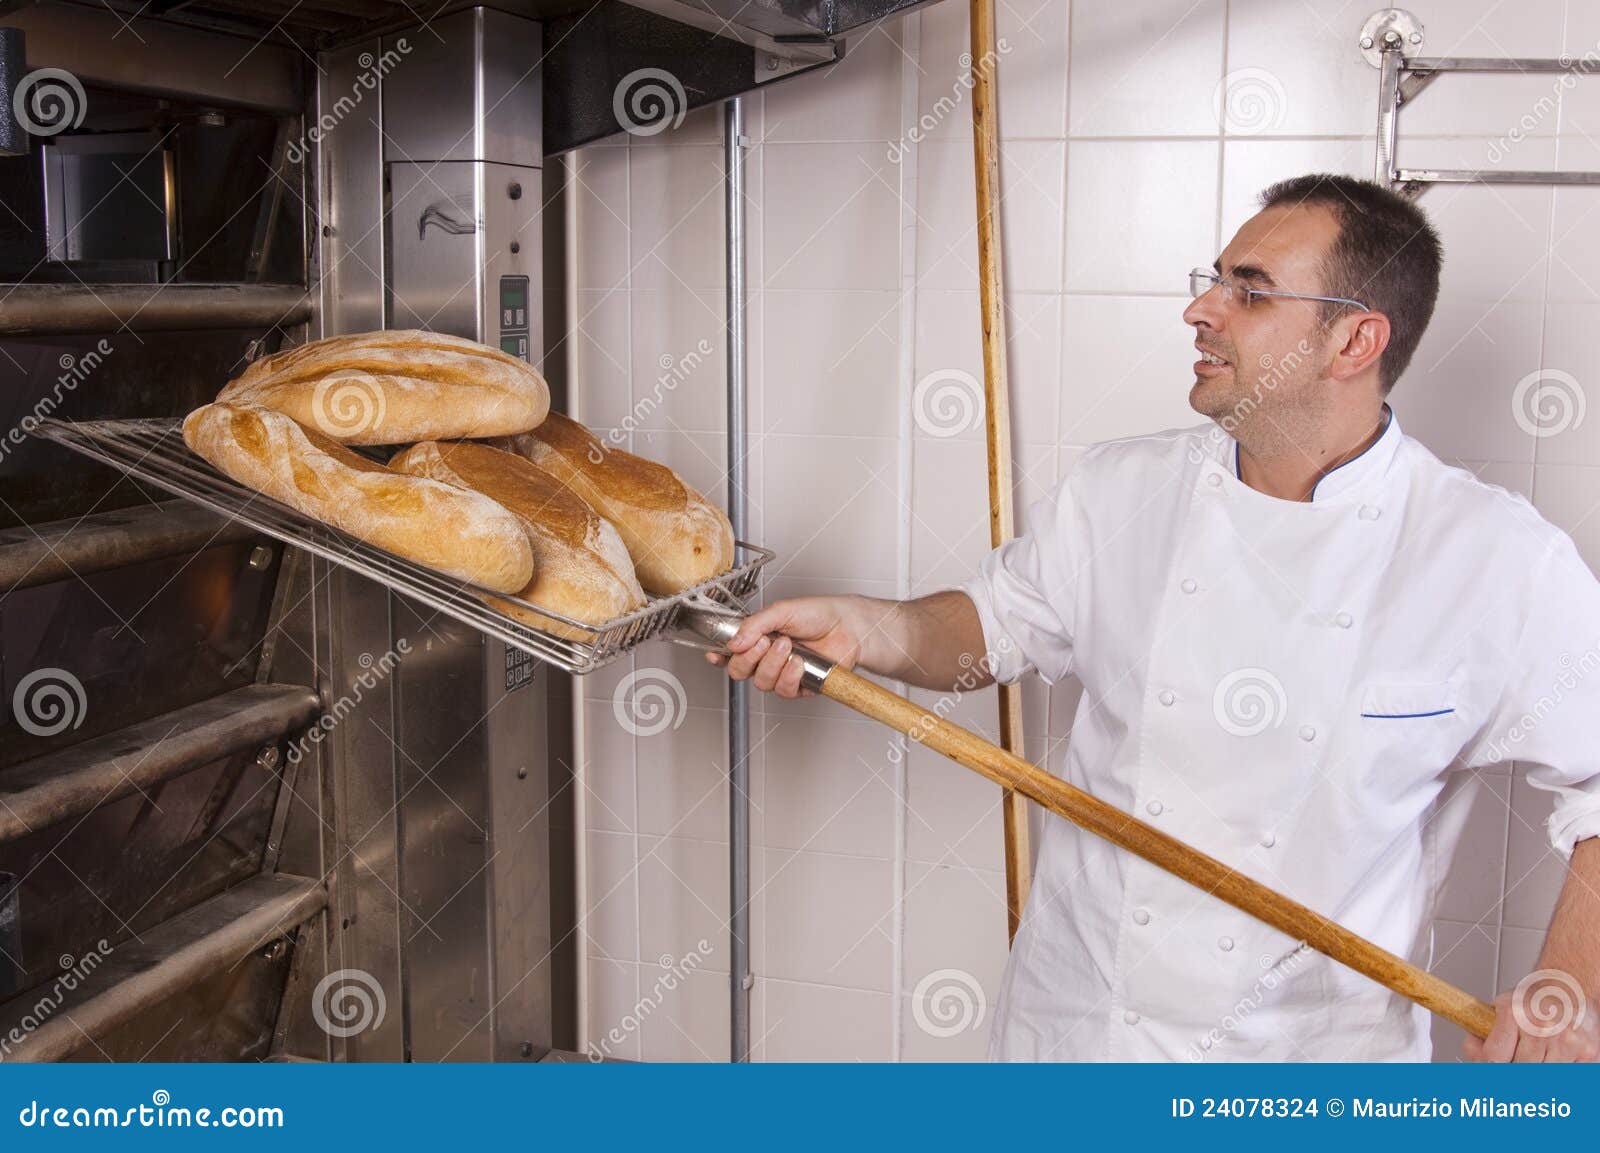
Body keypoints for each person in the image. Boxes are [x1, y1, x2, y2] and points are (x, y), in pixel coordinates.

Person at [707, 174, 1600, 1062]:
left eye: (1249, 291)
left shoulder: (1493, 559)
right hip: (1077, 1035)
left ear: (1355, 340)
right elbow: (994, 625)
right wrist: (869, 631)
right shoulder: (1121, 490)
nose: (1201, 311)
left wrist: (1565, 988)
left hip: (1306, 1066)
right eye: (1214, 281)